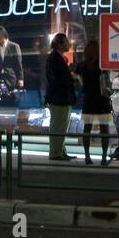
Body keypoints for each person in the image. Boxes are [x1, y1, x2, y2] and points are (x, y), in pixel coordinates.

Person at [77, 39, 113, 165]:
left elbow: (76, 77)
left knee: (87, 129)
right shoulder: (102, 65)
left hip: (89, 99)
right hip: (102, 100)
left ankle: (87, 156)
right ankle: (103, 157)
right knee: (104, 130)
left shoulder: (82, 65)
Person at [44, 33, 76, 161]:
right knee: (58, 125)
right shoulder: (55, 58)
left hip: (61, 97)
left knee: (61, 125)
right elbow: (57, 79)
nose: (69, 44)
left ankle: (60, 150)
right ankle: (56, 152)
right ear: (60, 43)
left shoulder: (58, 58)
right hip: (59, 98)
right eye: (66, 42)